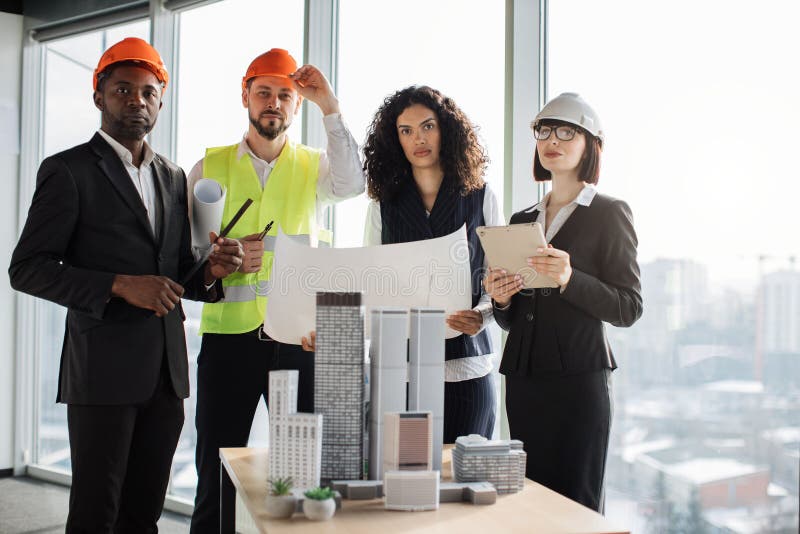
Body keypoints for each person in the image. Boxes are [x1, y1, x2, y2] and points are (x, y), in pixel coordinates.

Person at [8, 37, 243, 532]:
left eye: (148, 92)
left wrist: (214, 273)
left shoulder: (173, 176)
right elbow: (27, 268)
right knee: (97, 513)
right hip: (101, 374)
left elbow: (179, 271)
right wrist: (118, 284)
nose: (136, 101)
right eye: (122, 90)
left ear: (160, 100)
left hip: (166, 377)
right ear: (99, 96)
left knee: (144, 514)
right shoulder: (67, 171)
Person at [188, 48, 365, 532]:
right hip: (229, 342)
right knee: (216, 471)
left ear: (296, 105)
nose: (273, 103)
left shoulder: (315, 167)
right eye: (263, 92)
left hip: (300, 340)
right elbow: (187, 260)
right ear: (245, 95)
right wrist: (218, 264)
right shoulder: (208, 168)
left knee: (305, 473)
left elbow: (354, 183)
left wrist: (330, 105)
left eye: (285, 95)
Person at [484, 92, 642, 512]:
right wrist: (501, 301)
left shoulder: (610, 212)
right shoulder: (521, 220)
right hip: (523, 379)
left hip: (579, 381)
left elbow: (628, 307)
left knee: (578, 504)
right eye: (544, 131)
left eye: (566, 132)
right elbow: (514, 318)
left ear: (590, 143)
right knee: (530, 503)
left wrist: (570, 278)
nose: (552, 140)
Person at [361, 85, 502, 443]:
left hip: (466, 368)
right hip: (401, 371)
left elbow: (497, 275)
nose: (417, 139)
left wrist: (482, 315)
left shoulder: (481, 196)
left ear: (446, 130)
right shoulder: (383, 203)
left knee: (465, 485)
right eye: (405, 131)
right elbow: (371, 284)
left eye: (427, 126)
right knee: (406, 487)